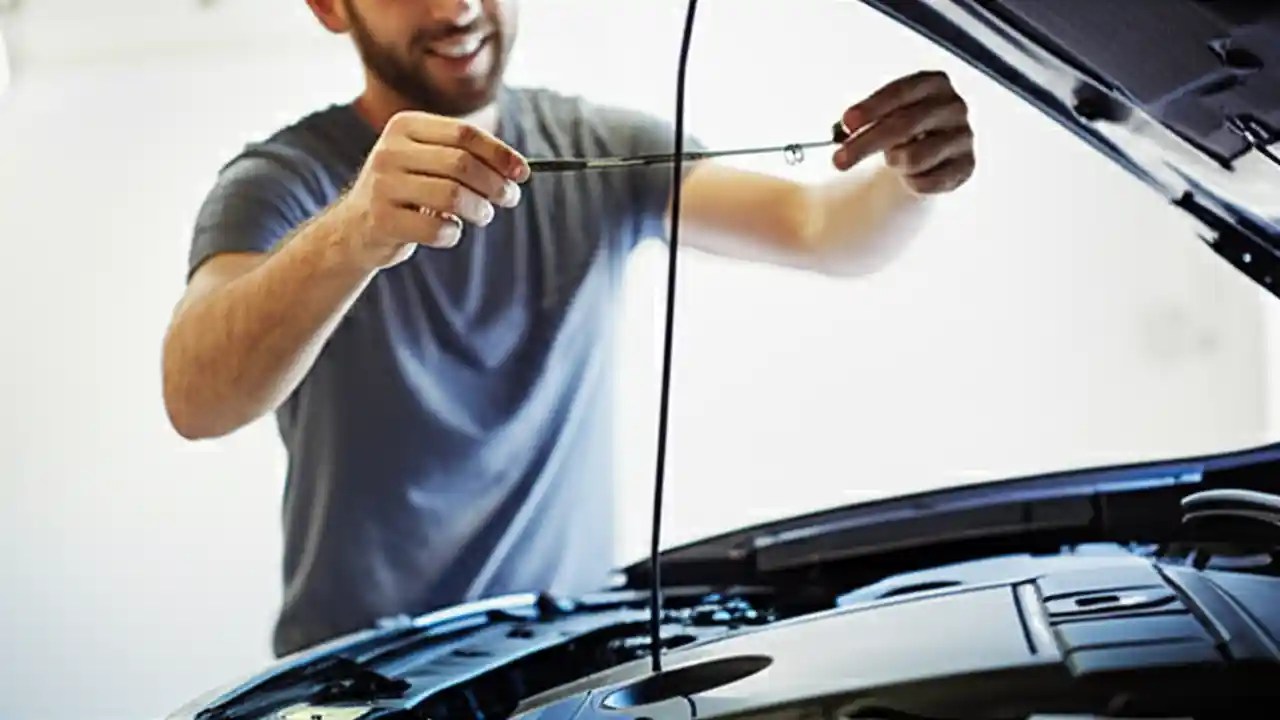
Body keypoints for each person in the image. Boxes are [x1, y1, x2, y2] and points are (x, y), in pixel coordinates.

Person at [161, 0, 977, 658]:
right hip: (364, 681)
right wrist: (354, 234)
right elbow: (198, 400)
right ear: (330, 8)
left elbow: (819, 228)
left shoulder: (595, 145)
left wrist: (910, 178)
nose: (456, 9)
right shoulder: (280, 182)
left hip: (568, 662)